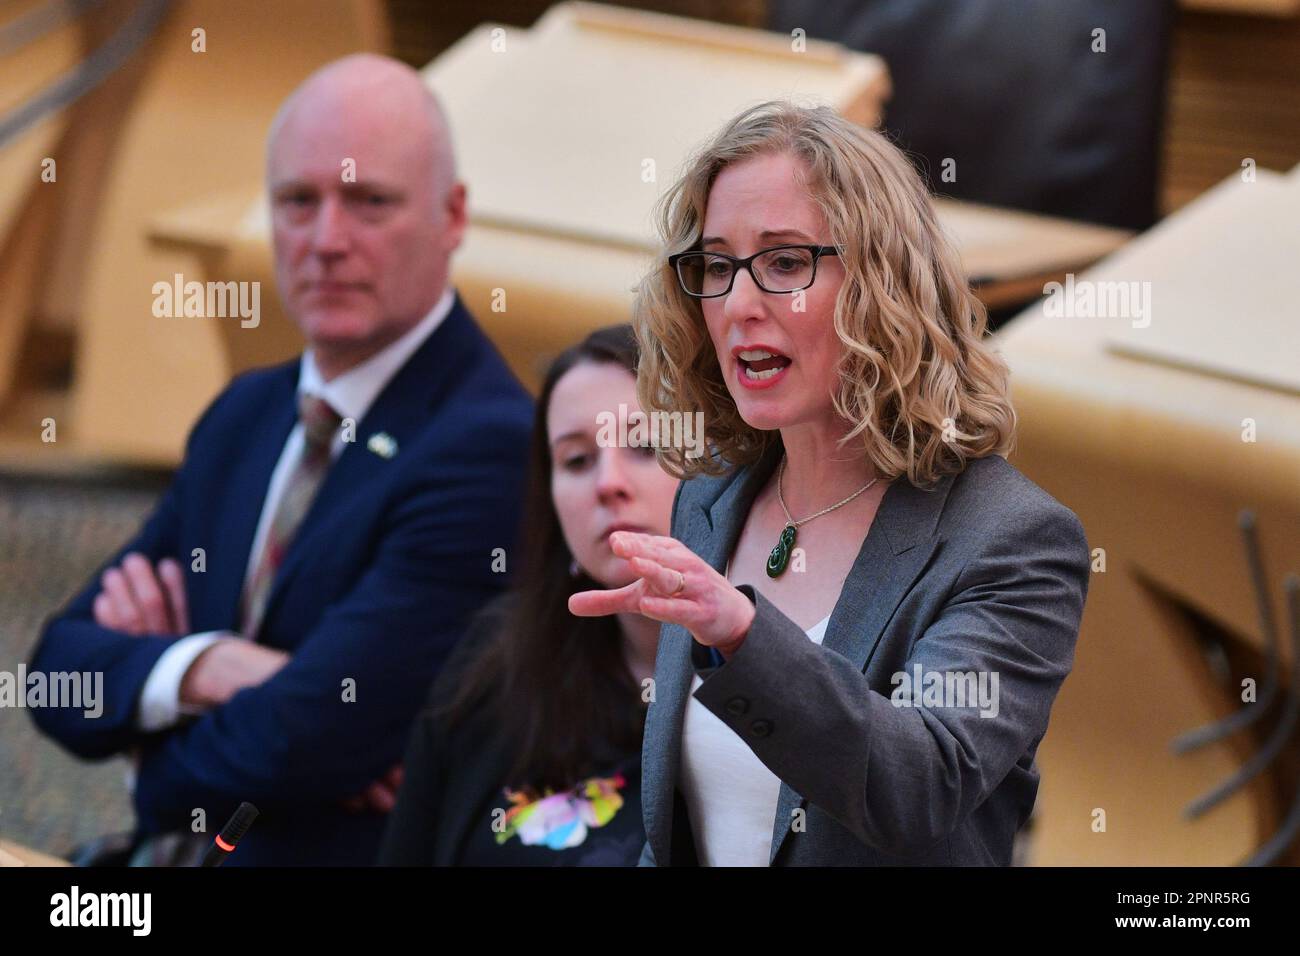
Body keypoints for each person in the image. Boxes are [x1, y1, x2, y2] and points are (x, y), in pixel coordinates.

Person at [27, 54, 534, 866]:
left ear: (453, 215)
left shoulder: (490, 442)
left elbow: (313, 735)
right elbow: (57, 674)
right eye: (299, 201)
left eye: (370, 202)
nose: (328, 240)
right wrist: (210, 666)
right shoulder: (245, 415)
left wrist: (148, 743)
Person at [570, 102, 1091, 866]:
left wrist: (744, 636)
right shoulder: (709, 499)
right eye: (717, 266)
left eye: (785, 263)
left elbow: (921, 779)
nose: (740, 303)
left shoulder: (1011, 540)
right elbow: (680, 828)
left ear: (886, 284)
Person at [379, 325, 678, 866]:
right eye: (577, 460)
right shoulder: (495, 663)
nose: (607, 483)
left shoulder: (776, 672)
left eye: (645, 446)